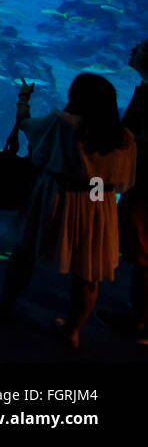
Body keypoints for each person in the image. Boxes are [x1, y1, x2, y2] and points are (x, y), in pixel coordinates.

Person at [0, 74, 137, 349]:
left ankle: (5, 304)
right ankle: (73, 331)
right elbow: (123, 181)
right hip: (98, 204)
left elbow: (26, 125)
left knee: (25, 252)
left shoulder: (63, 122)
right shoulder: (124, 137)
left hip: (56, 195)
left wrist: (24, 98)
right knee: (87, 270)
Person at [99, 40, 148, 343]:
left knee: (142, 251)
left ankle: (141, 322)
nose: (133, 49)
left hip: (144, 183)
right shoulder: (143, 88)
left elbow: (139, 135)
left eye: (141, 47)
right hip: (138, 180)